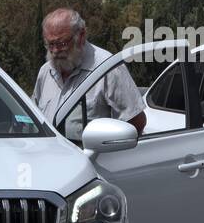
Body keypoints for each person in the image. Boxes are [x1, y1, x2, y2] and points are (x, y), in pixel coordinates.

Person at [32, 8, 146, 138]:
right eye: (50, 44)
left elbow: (136, 121)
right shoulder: (45, 71)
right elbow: (33, 116)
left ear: (81, 36)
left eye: (61, 43)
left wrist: (104, 151)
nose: (55, 51)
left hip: (90, 156)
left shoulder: (108, 69)